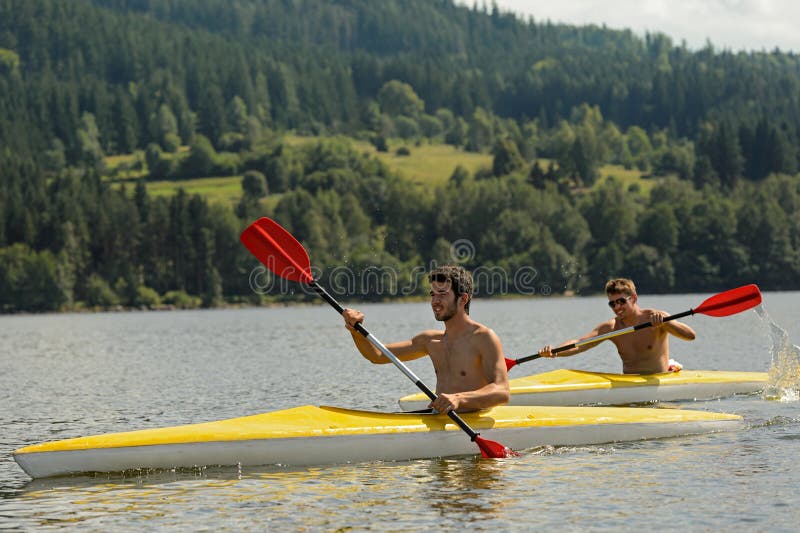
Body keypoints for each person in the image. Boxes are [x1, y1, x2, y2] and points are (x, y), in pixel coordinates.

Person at [342, 265, 510, 414]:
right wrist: (355, 330)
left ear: (463, 299)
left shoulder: (484, 338)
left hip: (475, 419)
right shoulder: (430, 341)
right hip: (440, 418)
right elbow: (378, 355)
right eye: (432, 294)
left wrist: (459, 399)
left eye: (442, 294)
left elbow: (502, 391)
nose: (434, 301)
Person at [538, 278, 696, 374]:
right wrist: (555, 352)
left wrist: (666, 323)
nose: (617, 307)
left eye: (621, 301)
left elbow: (690, 336)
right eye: (612, 303)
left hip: (658, 380)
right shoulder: (612, 328)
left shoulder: (655, 317)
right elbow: (579, 344)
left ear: (633, 298)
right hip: (629, 382)